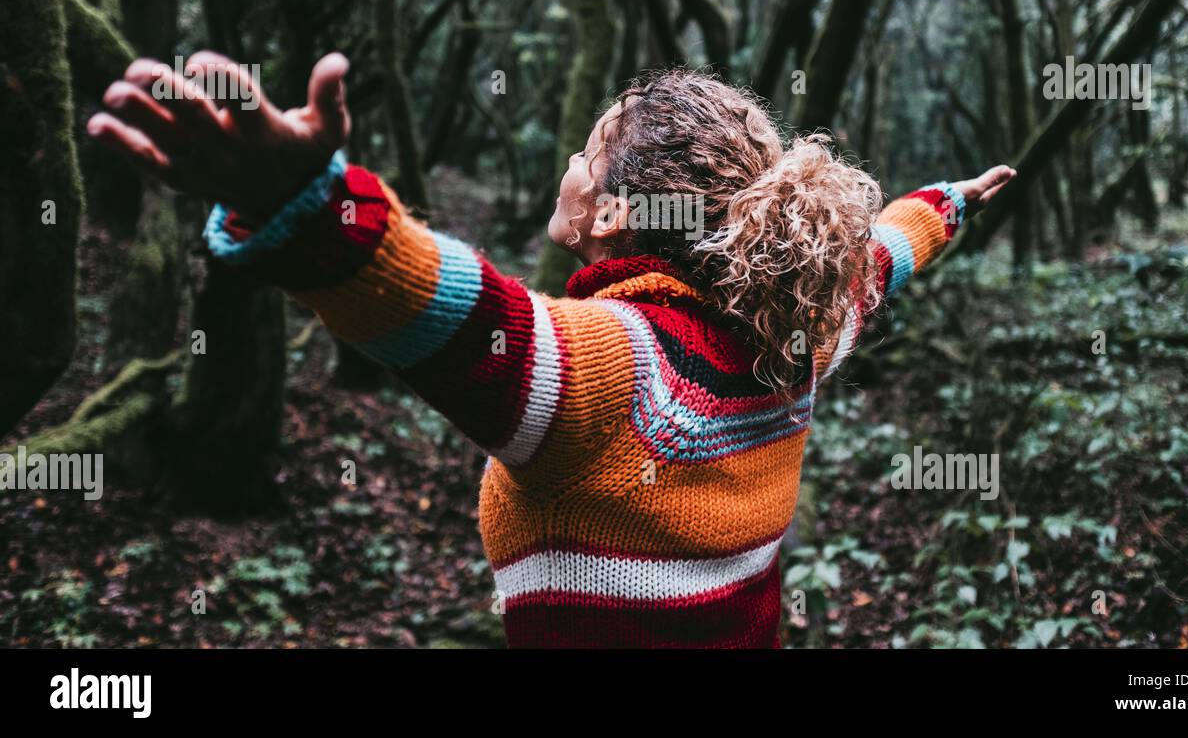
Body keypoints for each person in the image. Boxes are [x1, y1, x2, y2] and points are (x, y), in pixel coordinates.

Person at [88, 52, 1014, 647]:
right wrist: (949, 203)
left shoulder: (622, 377)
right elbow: (880, 255)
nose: (568, 165)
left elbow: (444, 310)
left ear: (613, 212)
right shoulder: (797, 332)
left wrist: (309, 209)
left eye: (585, 151)